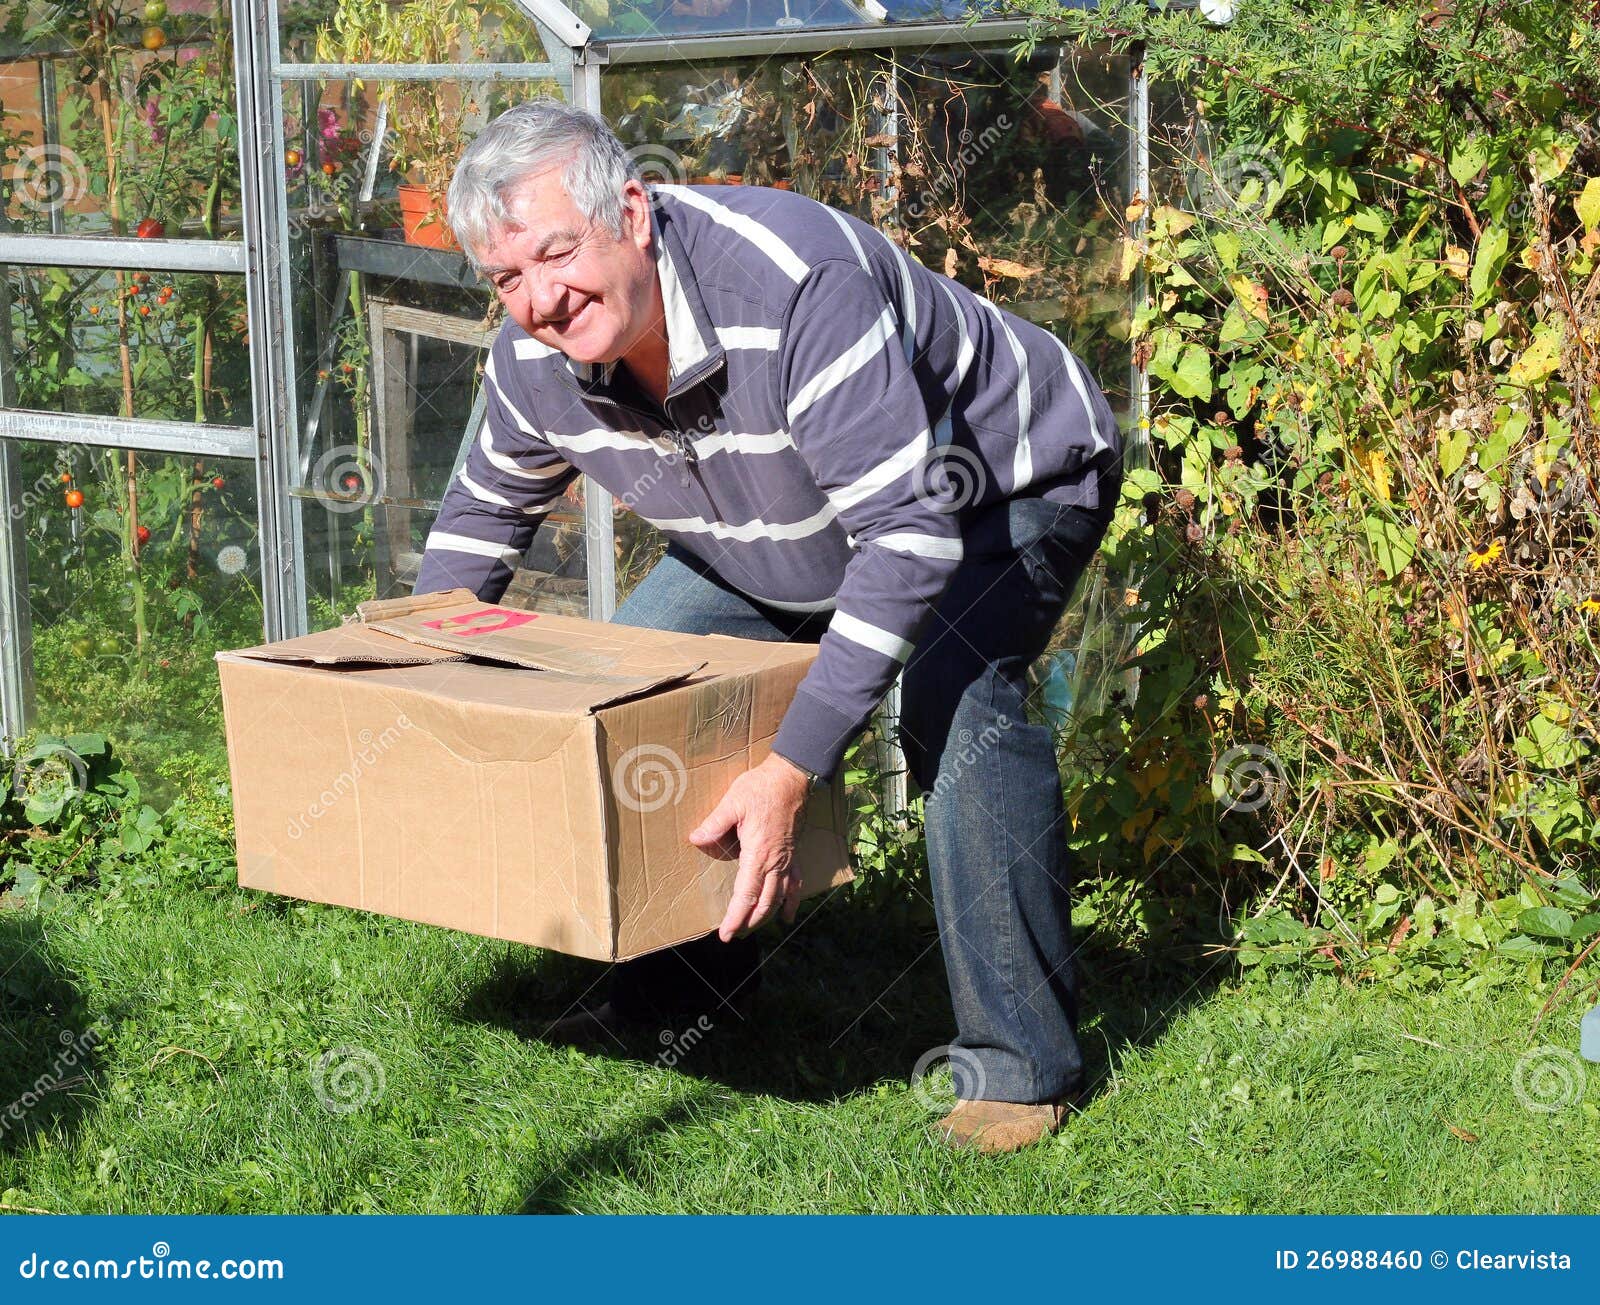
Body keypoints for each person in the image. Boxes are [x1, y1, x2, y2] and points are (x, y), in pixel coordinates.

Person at [411, 98, 1124, 1153]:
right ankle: (671, 1002)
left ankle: (1020, 1068)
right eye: (507, 279)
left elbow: (906, 540)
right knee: (651, 696)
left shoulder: (794, 287)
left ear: (634, 214)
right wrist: (425, 679)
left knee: (955, 713)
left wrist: (792, 768)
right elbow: (480, 518)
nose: (541, 299)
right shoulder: (533, 360)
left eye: (557, 254)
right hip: (788, 522)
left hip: (996, 486)